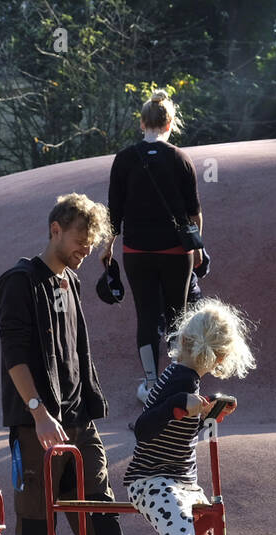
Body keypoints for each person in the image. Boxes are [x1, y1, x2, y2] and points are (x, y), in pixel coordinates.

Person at [0, 193, 149, 535]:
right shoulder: (20, 282)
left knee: (100, 518)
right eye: (81, 239)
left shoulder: (72, 283)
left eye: (92, 241)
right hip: (37, 425)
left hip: (80, 424)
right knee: (37, 529)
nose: (87, 249)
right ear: (55, 228)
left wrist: (79, 413)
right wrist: (39, 413)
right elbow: (14, 355)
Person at [123, 299, 255, 535]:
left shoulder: (187, 380)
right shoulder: (179, 380)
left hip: (180, 482)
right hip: (152, 482)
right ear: (219, 353)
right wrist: (180, 405)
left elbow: (176, 432)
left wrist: (207, 412)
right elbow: (145, 428)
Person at [104, 90, 204, 404]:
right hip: (176, 251)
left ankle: (150, 386)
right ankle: (177, 381)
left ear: (142, 123)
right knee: (178, 315)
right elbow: (193, 212)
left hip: (136, 251)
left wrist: (108, 247)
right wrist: (198, 247)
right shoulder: (180, 158)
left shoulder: (123, 159)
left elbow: (114, 211)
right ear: (170, 123)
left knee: (146, 316)